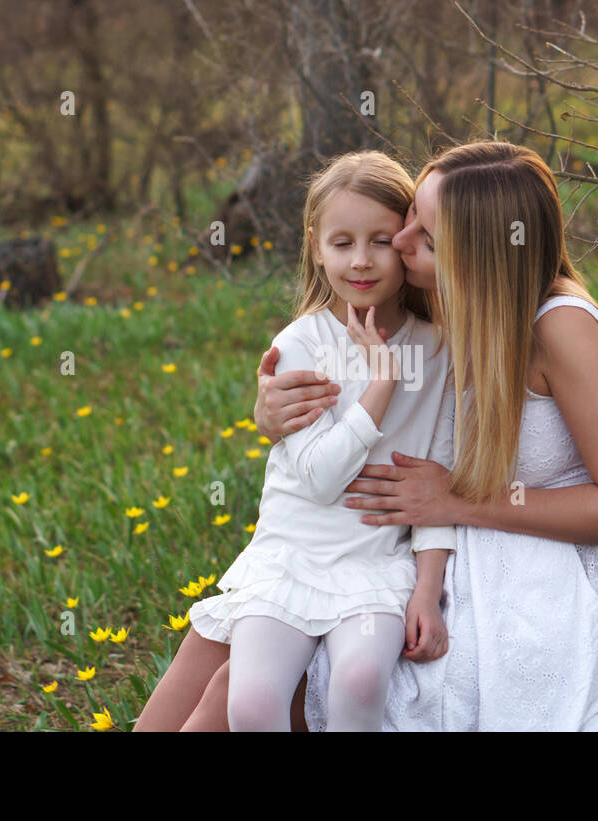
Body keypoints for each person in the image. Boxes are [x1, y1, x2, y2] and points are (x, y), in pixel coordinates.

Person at [134, 140, 598, 731]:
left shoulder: (561, 326)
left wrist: (458, 501)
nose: (400, 241)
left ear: (477, 257)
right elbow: (362, 382)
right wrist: (277, 418)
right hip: (429, 533)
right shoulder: (458, 308)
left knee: (241, 689)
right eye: (411, 217)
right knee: (217, 647)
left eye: (425, 237)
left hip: (540, 565)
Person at [183, 150, 457, 731]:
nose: (361, 261)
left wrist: (428, 590)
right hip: (292, 560)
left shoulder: (438, 350)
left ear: (407, 240)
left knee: (360, 682)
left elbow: (440, 480)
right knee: (253, 704)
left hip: (375, 566)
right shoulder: (301, 344)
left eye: (380, 240)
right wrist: (379, 384)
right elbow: (321, 477)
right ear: (315, 245)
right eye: (342, 243)